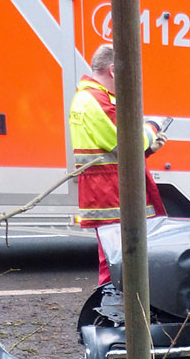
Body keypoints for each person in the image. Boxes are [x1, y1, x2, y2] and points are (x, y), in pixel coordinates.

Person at [69, 43, 168, 285]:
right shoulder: (97, 100)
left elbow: (111, 152)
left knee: (113, 260)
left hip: (105, 192)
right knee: (115, 263)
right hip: (112, 194)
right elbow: (127, 141)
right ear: (113, 70)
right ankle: (112, 306)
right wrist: (153, 127)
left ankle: (113, 304)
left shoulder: (87, 98)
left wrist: (147, 151)